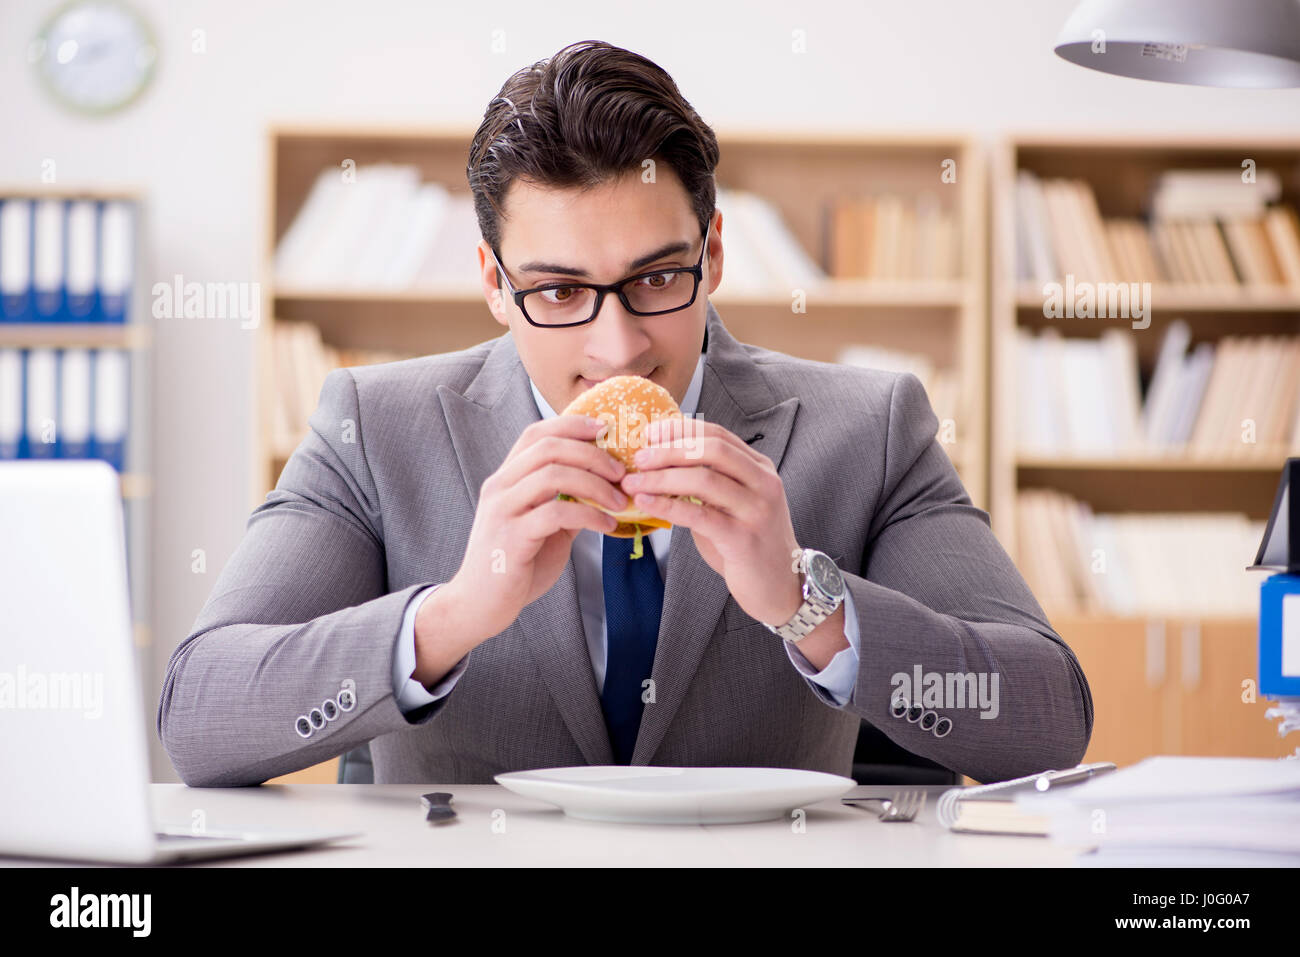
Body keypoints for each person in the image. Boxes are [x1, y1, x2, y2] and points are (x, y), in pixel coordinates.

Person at [158, 39, 1092, 787]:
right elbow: (199, 719)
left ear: (713, 254)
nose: (617, 347)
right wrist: (451, 616)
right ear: (493, 282)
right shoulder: (374, 426)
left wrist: (808, 604)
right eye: (559, 291)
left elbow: (1049, 723)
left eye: (655, 277)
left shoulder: (870, 426)